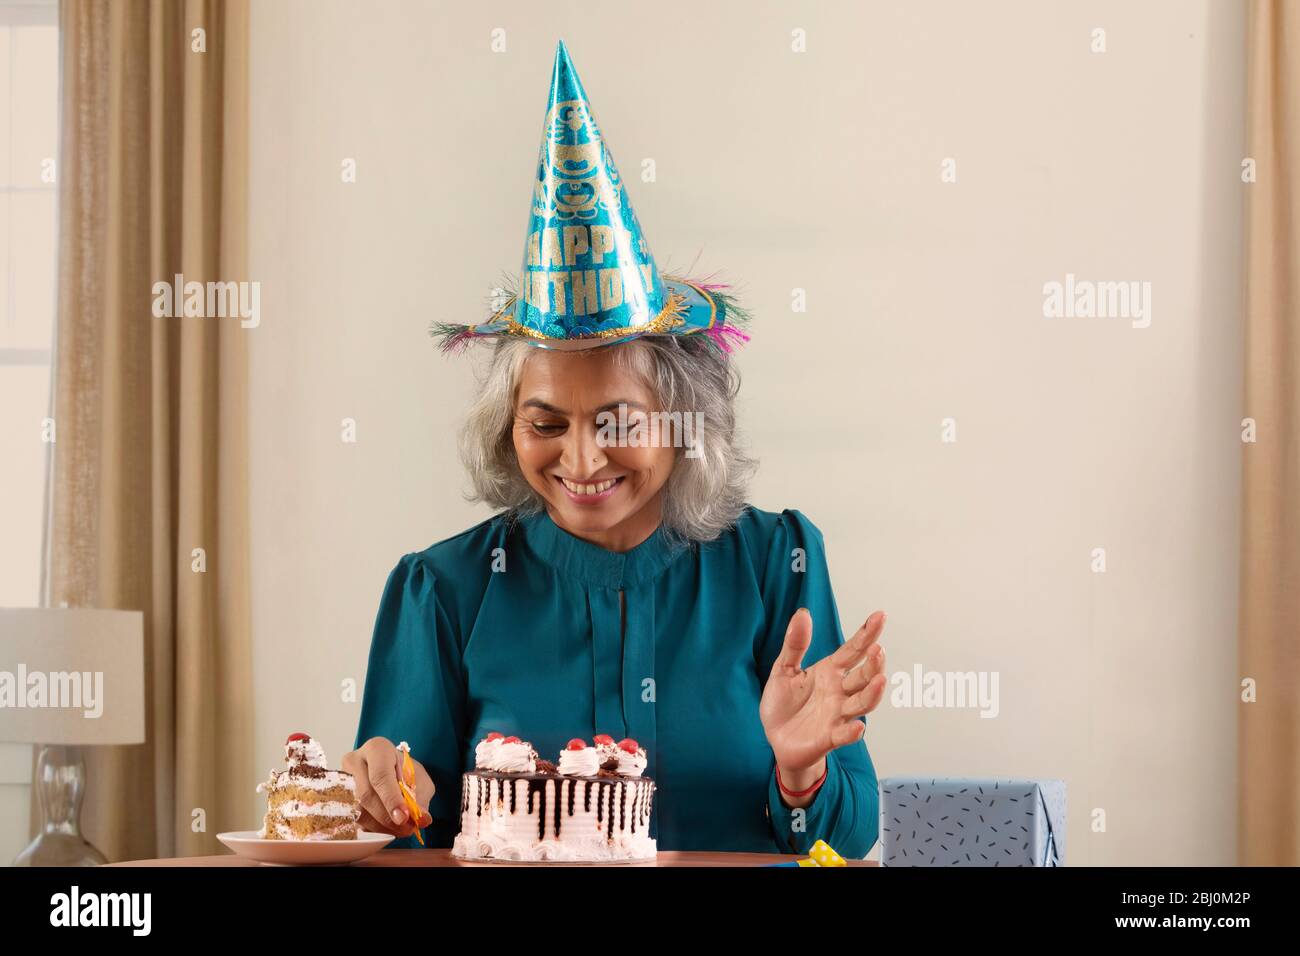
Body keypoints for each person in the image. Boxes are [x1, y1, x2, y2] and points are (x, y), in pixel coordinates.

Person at [342, 41, 888, 858]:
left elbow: (845, 844)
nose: (584, 460)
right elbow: (395, 841)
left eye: (620, 422)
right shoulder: (445, 592)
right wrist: (386, 805)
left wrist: (802, 773)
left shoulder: (778, 565)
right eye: (547, 423)